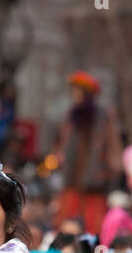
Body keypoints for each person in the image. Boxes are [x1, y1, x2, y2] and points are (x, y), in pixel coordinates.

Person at [52, 72, 122, 235]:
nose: (75, 94)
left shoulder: (103, 117)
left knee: (93, 229)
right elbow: (61, 142)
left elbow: (112, 147)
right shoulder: (71, 115)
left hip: (94, 184)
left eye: (79, 91)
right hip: (72, 182)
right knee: (65, 226)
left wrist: (107, 170)